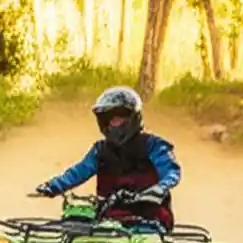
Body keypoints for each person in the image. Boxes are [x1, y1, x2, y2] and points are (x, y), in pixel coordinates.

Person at [32, 85, 181, 230]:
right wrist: (52, 186)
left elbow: (172, 171)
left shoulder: (154, 145)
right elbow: (79, 172)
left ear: (132, 119)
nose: (112, 125)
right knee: (73, 228)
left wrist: (160, 188)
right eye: (109, 121)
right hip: (109, 221)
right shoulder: (100, 150)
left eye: (117, 119)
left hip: (149, 220)